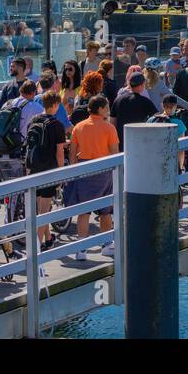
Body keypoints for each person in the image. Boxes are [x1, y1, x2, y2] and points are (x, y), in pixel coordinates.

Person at [65, 94, 118, 262]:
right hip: (104, 171)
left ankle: (81, 249)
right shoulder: (109, 128)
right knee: (106, 211)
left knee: (84, 212)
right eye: (107, 107)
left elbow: (72, 154)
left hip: (84, 170)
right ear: (101, 109)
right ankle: (106, 245)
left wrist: (76, 172)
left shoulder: (79, 127)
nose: (108, 110)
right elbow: (115, 154)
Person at [24, 90, 67, 246]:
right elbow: (59, 152)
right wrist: (61, 173)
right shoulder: (57, 125)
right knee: (44, 212)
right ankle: (36, 248)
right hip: (49, 169)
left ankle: (48, 239)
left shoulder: (34, 120)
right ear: (55, 104)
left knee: (41, 209)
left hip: (34, 168)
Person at [112, 69, 158, 137]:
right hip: (139, 139)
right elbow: (157, 118)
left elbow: (112, 122)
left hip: (121, 140)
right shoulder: (145, 102)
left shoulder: (118, 100)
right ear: (141, 85)